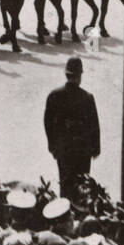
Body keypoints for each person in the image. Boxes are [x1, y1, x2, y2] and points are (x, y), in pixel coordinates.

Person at [43, 57, 100, 197]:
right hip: (83, 152)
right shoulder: (87, 98)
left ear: (66, 74)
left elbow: (47, 123)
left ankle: (65, 215)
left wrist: (53, 146)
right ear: (80, 76)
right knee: (82, 188)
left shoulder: (54, 95)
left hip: (64, 150)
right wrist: (95, 148)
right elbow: (94, 125)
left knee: (66, 185)